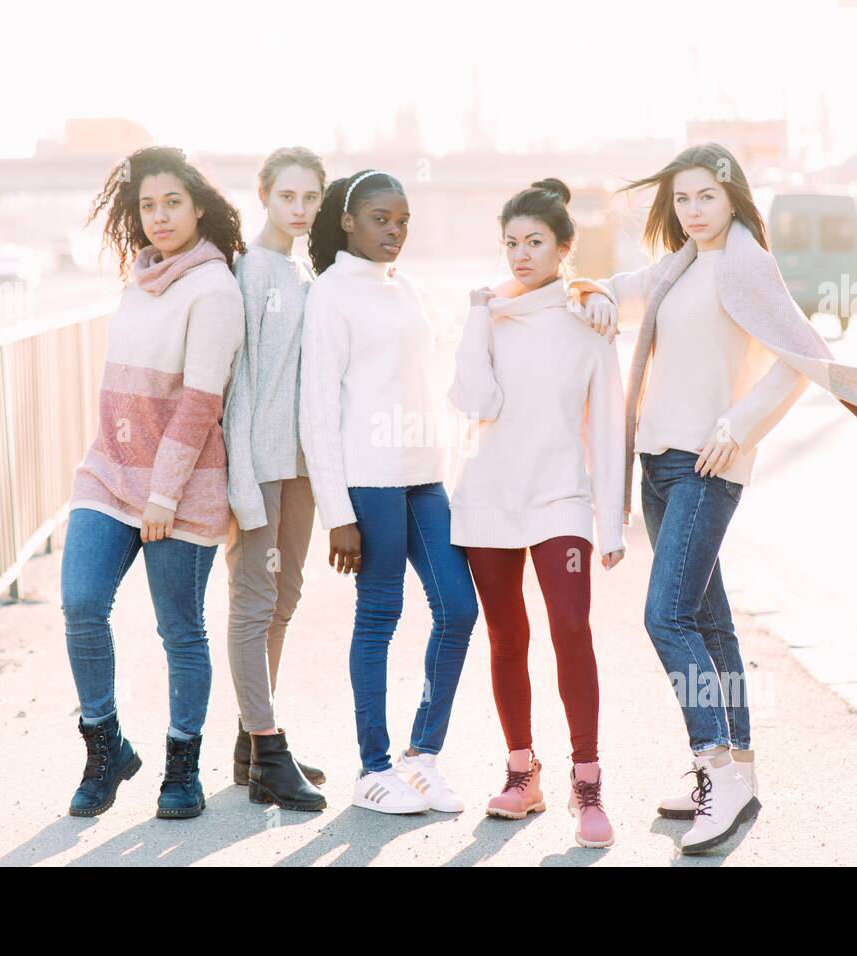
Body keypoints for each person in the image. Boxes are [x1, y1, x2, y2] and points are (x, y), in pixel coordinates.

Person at [571, 142, 857, 854]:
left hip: (706, 464)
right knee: (710, 623)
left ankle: (720, 771)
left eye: (705, 198)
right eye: (681, 201)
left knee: (667, 616)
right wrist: (587, 290)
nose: (693, 212)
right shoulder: (681, 263)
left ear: (733, 196)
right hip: (657, 459)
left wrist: (737, 424)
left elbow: (798, 357)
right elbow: (628, 289)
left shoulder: (748, 261)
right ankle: (736, 768)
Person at [62, 146, 245, 820]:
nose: (159, 215)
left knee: (181, 632)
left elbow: (199, 405)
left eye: (172, 202)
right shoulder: (136, 279)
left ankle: (182, 768)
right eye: (147, 205)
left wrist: (163, 497)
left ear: (198, 206)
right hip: (108, 475)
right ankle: (106, 746)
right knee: (81, 602)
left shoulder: (215, 289)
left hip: (182, 489)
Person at [448, 178, 625, 848]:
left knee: (572, 627)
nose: (521, 254)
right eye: (511, 243)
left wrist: (611, 521)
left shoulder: (590, 319)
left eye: (535, 242)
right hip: (490, 495)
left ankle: (589, 785)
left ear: (564, 247)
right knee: (506, 639)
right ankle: (523, 773)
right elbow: (475, 402)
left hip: (561, 498)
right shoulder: (489, 313)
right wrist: (474, 317)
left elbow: (608, 426)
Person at [299, 169, 479, 815]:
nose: (394, 231)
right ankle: (372, 769)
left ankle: (422, 757)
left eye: (403, 221)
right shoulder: (331, 294)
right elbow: (316, 408)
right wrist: (336, 513)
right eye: (380, 218)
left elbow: (460, 342)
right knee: (379, 615)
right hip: (368, 480)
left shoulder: (408, 291)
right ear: (349, 221)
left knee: (458, 610)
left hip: (424, 474)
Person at [222, 147, 328, 812]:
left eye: (309, 197)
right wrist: (238, 480)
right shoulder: (247, 270)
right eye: (287, 194)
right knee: (253, 602)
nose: (298, 207)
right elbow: (236, 386)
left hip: (301, 467)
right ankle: (268, 744)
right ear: (263, 193)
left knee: (286, 597)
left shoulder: (303, 269)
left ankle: (248, 744)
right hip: (257, 469)